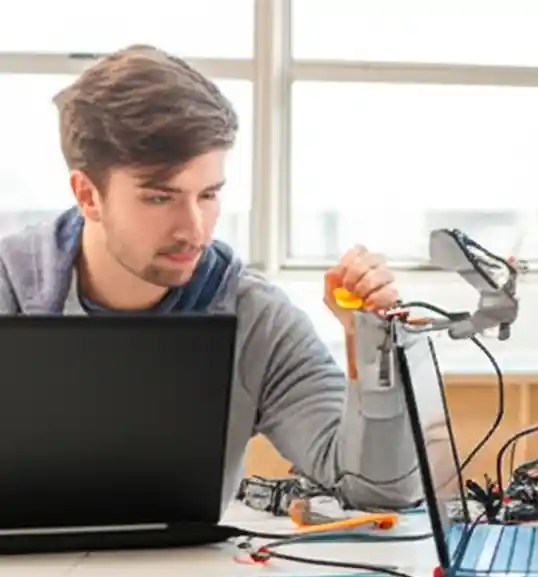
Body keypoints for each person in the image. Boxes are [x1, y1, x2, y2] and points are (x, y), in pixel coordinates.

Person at [0, 46, 420, 510]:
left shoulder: (255, 318)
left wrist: (371, 345)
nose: (194, 230)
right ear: (88, 195)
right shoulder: (8, 287)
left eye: (208, 195)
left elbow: (378, 492)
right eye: (160, 198)